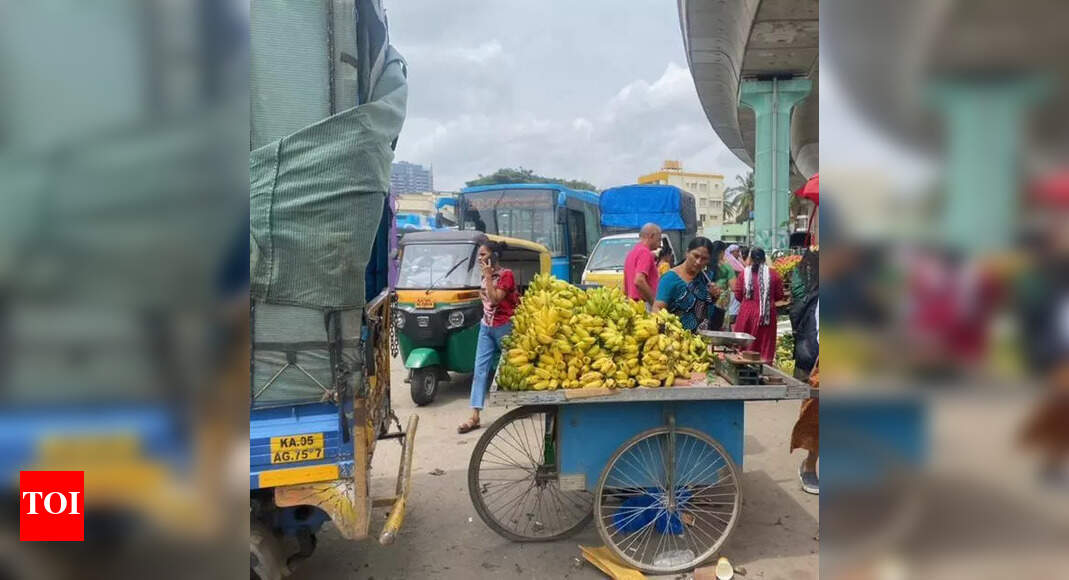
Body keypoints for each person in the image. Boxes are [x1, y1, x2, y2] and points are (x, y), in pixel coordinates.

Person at [458, 241, 519, 434]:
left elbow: (494, 299)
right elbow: (483, 298)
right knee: (480, 369)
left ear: (493, 257)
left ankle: (523, 404)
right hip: (486, 327)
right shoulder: (483, 276)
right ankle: (474, 415)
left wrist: (487, 275)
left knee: (511, 365)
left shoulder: (506, 275)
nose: (479, 258)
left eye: (483, 254)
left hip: (504, 327)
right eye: (479, 255)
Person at [652, 237, 718, 332]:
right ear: (687, 252)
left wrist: (714, 297)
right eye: (696, 256)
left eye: (704, 259)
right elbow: (657, 308)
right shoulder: (670, 279)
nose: (698, 262)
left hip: (702, 340)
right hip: (676, 340)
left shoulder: (707, 279)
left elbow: (708, 311)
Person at [732, 247, 784, 363]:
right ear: (764, 259)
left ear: (750, 258)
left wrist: (748, 302)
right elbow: (780, 295)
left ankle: (742, 370)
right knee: (764, 346)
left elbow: (738, 295)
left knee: (744, 346)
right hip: (766, 315)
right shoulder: (774, 275)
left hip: (746, 313)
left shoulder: (743, 274)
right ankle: (763, 371)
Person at [624, 223, 662, 307]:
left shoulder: (632, 253)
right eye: (659, 240)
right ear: (651, 236)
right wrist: (653, 303)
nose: (660, 244)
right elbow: (639, 280)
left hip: (632, 304)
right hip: (643, 304)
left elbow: (626, 285)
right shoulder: (645, 253)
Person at [707, 240, 736, 330]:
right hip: (721, 303)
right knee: (720, 326)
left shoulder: (707, 265)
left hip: (707, 301)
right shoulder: (727, 267)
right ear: (722, 252)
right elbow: (734, 287)